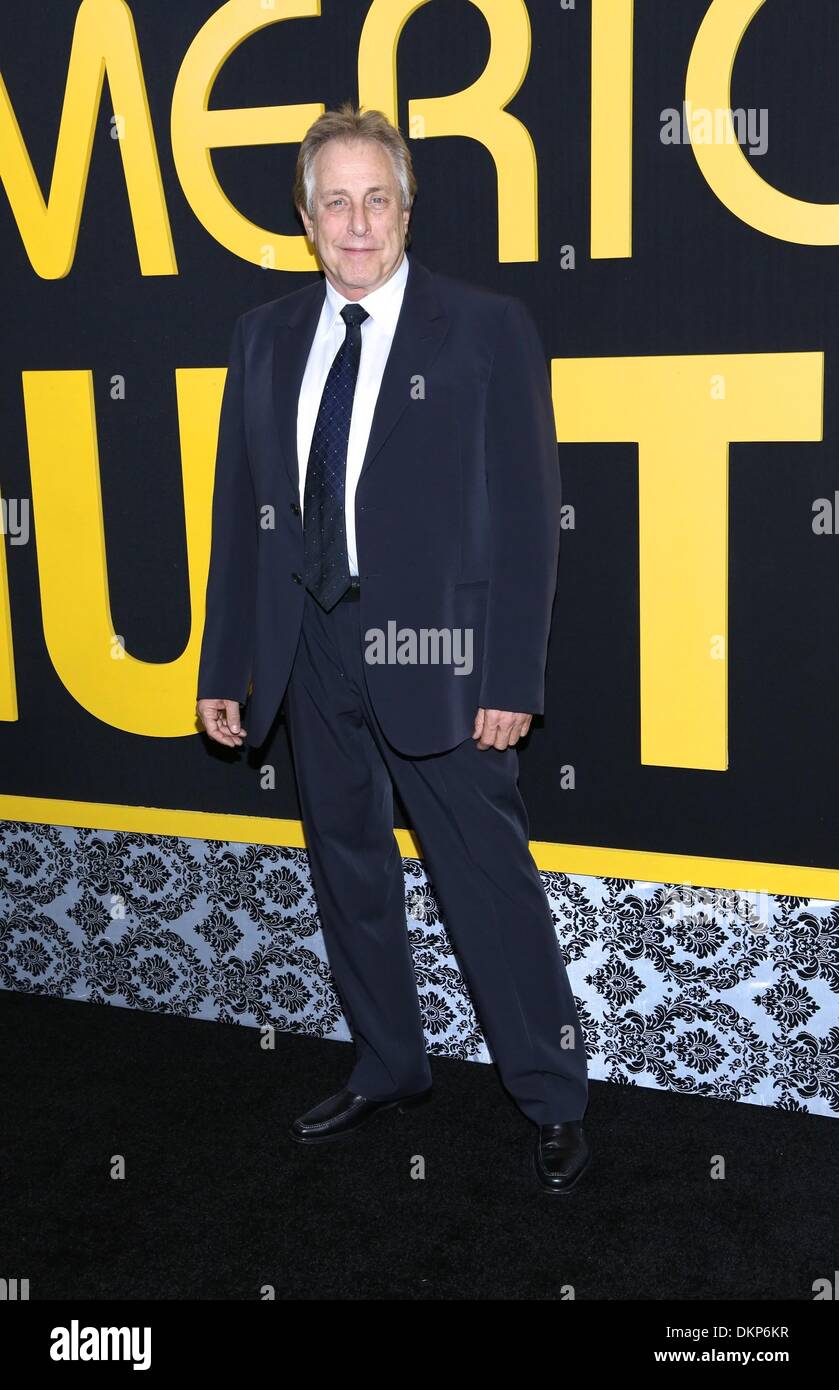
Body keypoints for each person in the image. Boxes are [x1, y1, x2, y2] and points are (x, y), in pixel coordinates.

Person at [196, 103, 590, 1194]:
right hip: (306, 644)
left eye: (377, 198)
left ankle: (552, 1097)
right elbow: (244, 514)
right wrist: (225, 662)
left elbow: (526, 514)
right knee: (348, 870)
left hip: (442, 654)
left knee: (486, 881)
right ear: (305, 214)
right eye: (336, 200)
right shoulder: (264, 334)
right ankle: (388, 1064)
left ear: (406, 210)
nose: (356, 221)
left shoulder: (484, 326)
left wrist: (509, 674)